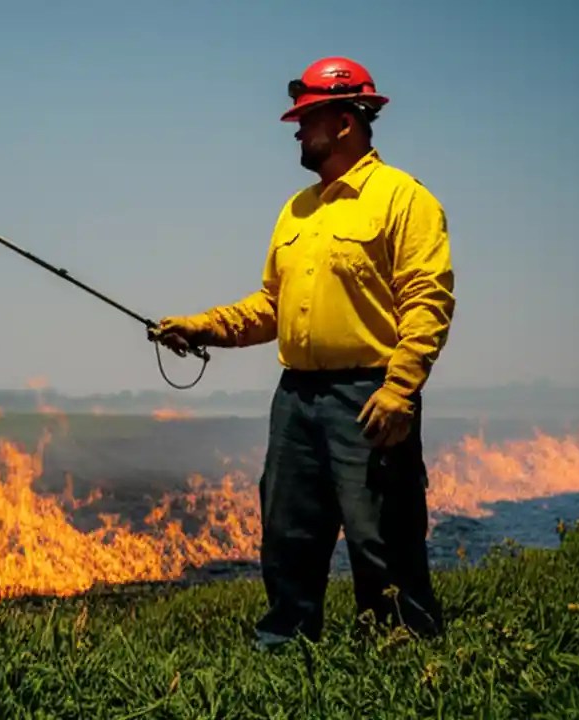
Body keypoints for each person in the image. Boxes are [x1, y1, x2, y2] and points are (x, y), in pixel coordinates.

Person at [151, 56, 455, 649]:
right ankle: (285, 648)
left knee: (381, 538)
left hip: (370, 394)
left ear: (345, 121)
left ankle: (406, 654)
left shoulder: (403, 199)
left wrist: (401, 389)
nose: (295, 130)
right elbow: (272, 305)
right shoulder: (297, 210)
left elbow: (427, 299)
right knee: (288, 532)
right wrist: (203, 327)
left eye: (306, 118)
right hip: (296, 400)